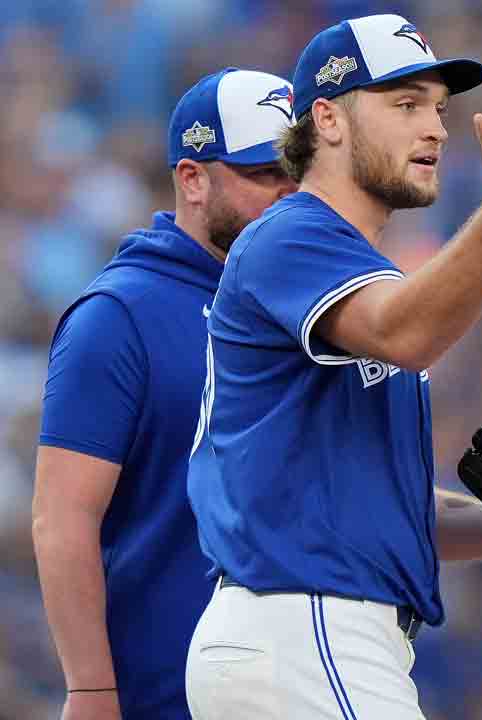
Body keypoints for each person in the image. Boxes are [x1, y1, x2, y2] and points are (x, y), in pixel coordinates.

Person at [184, 14, 482, 719]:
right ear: (326, 119)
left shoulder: (351, 268)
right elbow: (406, 333)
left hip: (302, 640)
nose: (436, 128)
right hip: (308, 629)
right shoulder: (292, 234)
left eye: (438, 108)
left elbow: (396, 511)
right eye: (405, 104)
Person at [32, 68, 297, 720]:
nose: (289, 191)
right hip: (163, 691)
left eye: (299, 172)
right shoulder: (120, 314)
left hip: (298, 686)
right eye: (263, 173)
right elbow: (63, 517)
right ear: (193, 179)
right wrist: (91, 690)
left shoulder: (304, 311)